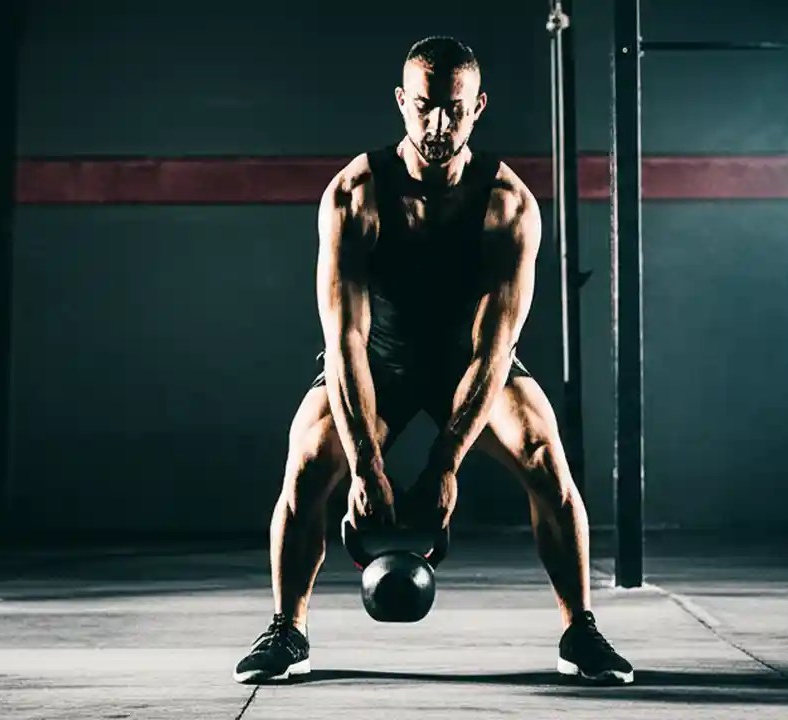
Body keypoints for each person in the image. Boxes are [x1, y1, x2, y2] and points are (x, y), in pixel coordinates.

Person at [233, 35, 634, 686]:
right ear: (401, 102)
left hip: (467, 361)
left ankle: (580, 631)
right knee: (308, 459)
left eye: (453, 108)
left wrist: (444, 465)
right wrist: (366, 465)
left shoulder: (509, 206)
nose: (438, 124)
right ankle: (287, 630)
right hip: (378, 358)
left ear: (478, 106)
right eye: (423, 107)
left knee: (542, 451)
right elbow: (346, 341)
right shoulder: (353, 195)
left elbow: (494, 348)